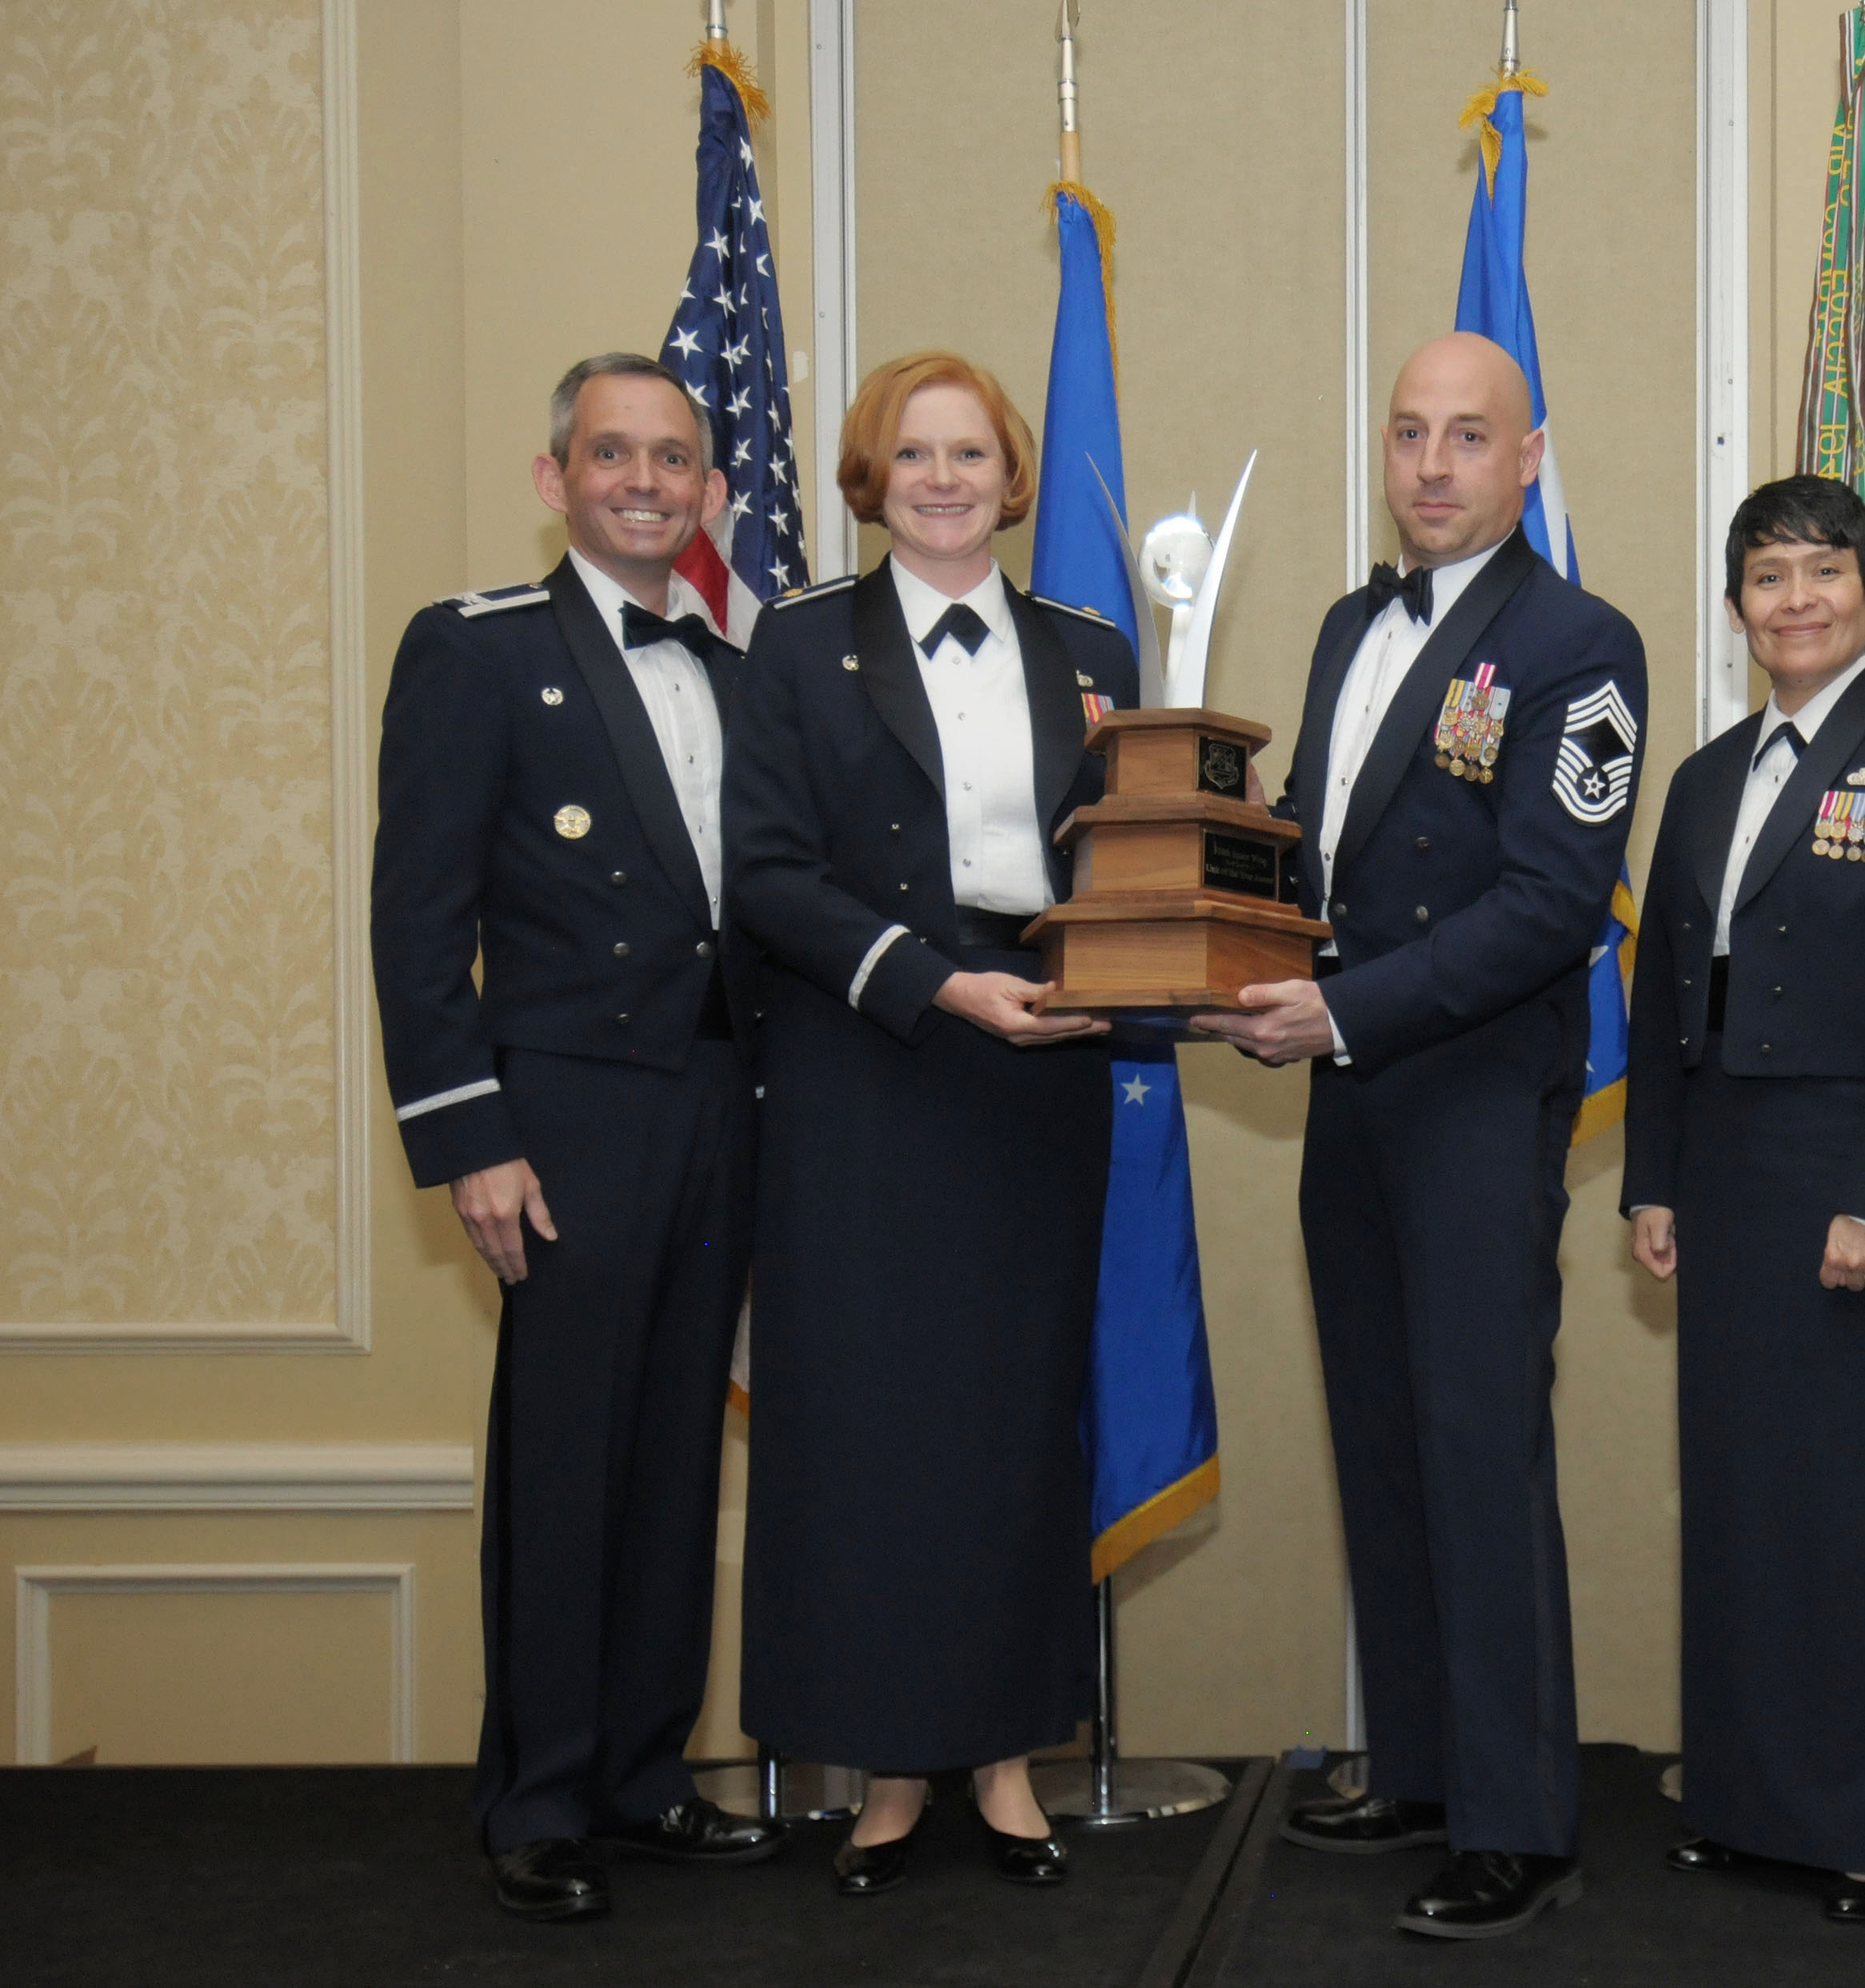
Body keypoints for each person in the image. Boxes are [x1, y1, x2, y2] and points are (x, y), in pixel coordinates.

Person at [1196, 332, 1647, 1942]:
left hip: (1463, 1093)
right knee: (1381, 1436)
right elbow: (1316, 855)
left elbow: (1547, 904)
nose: (1435, 464)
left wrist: (1345, 1010)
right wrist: (1194, 917)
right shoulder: (1343, 626)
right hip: (1351, 1098)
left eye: (1470, 435)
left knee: (1475, 1443)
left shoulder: (1581, 642)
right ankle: (1423, 1765)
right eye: (1409, 434)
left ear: (1533, 456)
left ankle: (1518, 1819)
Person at [369, 353, 784, 1922]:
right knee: (565, 1456)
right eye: (613, 454)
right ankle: (538, 1793)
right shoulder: (476, 653)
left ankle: (642, 1773)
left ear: (710, 494)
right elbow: (419, 921)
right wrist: (467, 1132)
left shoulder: (739, 677)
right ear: (557, 477)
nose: (644, 482)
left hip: (715, 1106)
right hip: (560, 1120)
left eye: (673, 461)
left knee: (678, 1449)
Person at [725, 351, 1133, 1900]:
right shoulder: (802, 642)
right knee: (870, 1433)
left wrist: (1132, 964)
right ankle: (891, 1772)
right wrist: (936, 984)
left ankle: (1010, 1759)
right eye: (916, 454)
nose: (946, 478)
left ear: (1012, 473)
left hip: (1036, 1080)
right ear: (871, 476)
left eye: (972, 453)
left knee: (1016, 1426)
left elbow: (1131, 852)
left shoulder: (1091, 646)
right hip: (865, 1075)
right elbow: (763, 873)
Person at [1622, 474, 1865, 1924]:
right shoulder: (1705, 778)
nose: (1796, 599)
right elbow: (1666, 992)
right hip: (1725, 1183)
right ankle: (1743, 1802)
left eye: (1823, 572)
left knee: (1857, 1514)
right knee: (1741, 1504)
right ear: (1738, 608)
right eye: (1769, 577)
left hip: (1861, 1183)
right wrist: (1653, 1182)